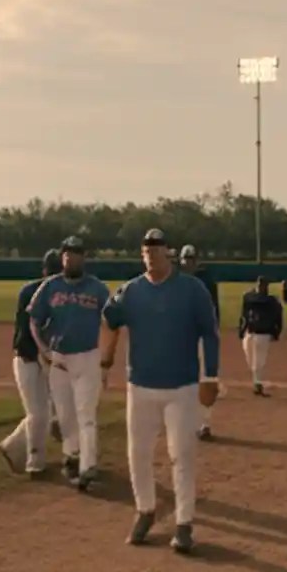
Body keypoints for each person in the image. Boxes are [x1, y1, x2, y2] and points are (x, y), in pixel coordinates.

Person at [101, 228, 220, 554]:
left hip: (181, 387)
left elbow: (209, 333)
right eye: (146, 250)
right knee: (137, 454)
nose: (151, 255)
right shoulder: (130, 291)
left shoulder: (192, 290)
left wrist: (210, 376)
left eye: (156, 249)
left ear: (168, 252)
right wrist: (105, 358)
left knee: (181, 454)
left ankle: (183, 523)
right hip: (140, 386)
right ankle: (146, 511)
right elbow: (109, 318)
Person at [27, 234, 110, 491]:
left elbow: (111, 322)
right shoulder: (50, 287)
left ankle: (88, 466)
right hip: (59, 360)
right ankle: (72, 457)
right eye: (66, 253)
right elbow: (34, 320)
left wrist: (106, 358)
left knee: (86, 414)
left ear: (83, 257)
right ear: (62, 257)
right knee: (65, 416)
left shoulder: (97, 288)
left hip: (87, 357)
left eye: (75, 253)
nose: (70, 257)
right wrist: (43, 350)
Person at [0, 248, 63, 476]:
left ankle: (13, 448)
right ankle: (34, 463)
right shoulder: (52, 293)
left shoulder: (30, 289)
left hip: (34, 358)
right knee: (39, 413)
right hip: (30, 360)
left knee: (45, 412)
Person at [179, 244, 221, 439]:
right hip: (181, 337)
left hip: (203, 336)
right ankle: (187, 421)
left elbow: (214, 312)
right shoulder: (175, 281)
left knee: (206, 379)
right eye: (186, 259)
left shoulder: (207, 282)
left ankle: (205, 423)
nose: (189, 262)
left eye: (192, 258)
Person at [237, 275, 283, 396]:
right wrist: (241, 329)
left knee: (259, 361)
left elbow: (278, 318)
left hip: (263, 334)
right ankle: (256, 379)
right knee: (250, 360)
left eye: (263, 285)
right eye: (259, 284)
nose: (261, 286)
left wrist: (276, 332)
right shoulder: (256, 298)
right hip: (249, 333)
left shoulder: (270, 301)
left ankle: (257, 383)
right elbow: (244, 315)